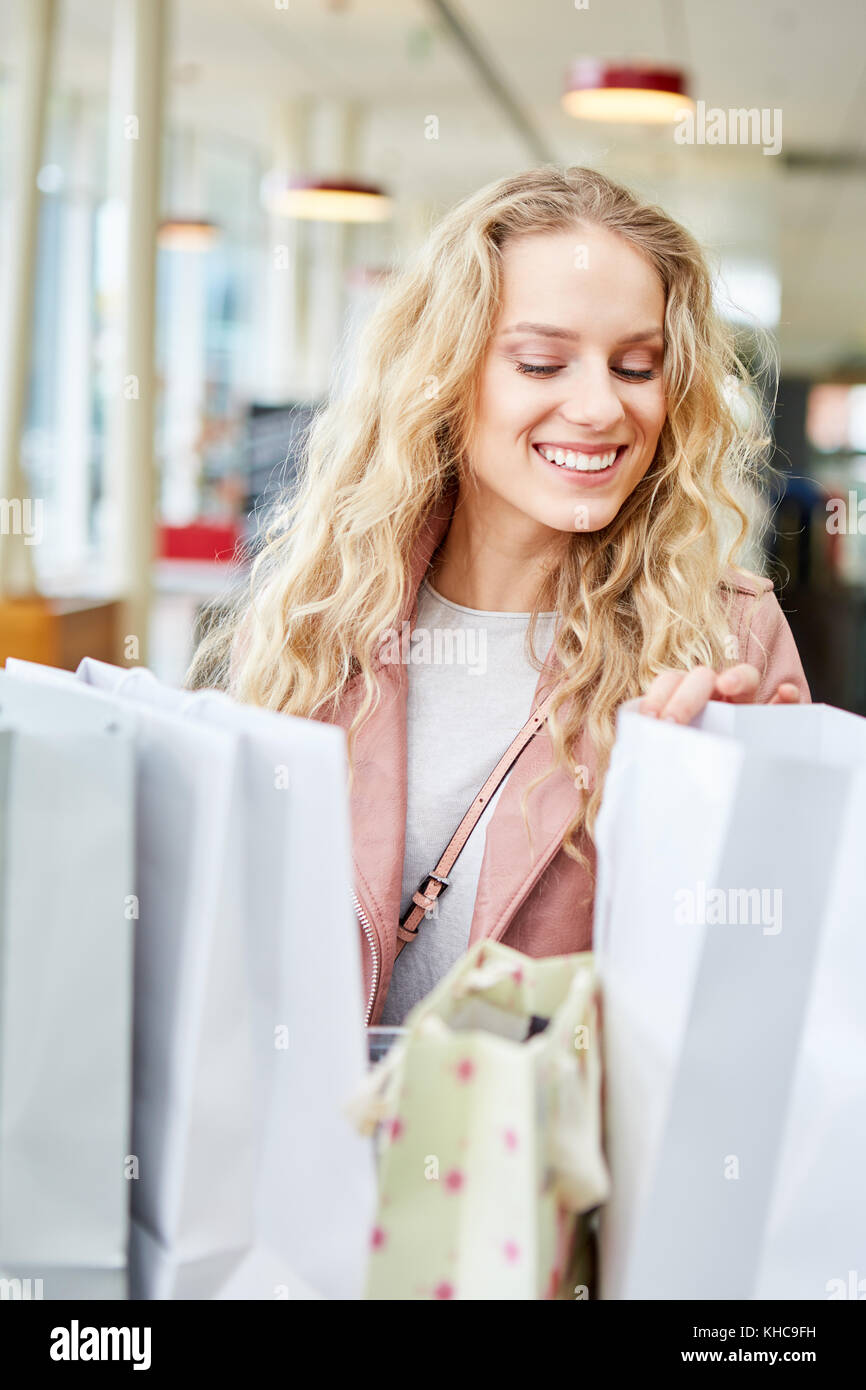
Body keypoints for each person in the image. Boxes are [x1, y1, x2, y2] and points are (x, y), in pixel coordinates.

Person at [186, 165, 810, 1028]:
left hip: (563, 1164)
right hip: (320, 1153)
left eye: (636, 366)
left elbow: (773, 997)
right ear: (446, 374)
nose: (599, 407)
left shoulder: (725, 638)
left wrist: (746, 813)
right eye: (542, 361)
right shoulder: (313, 620)